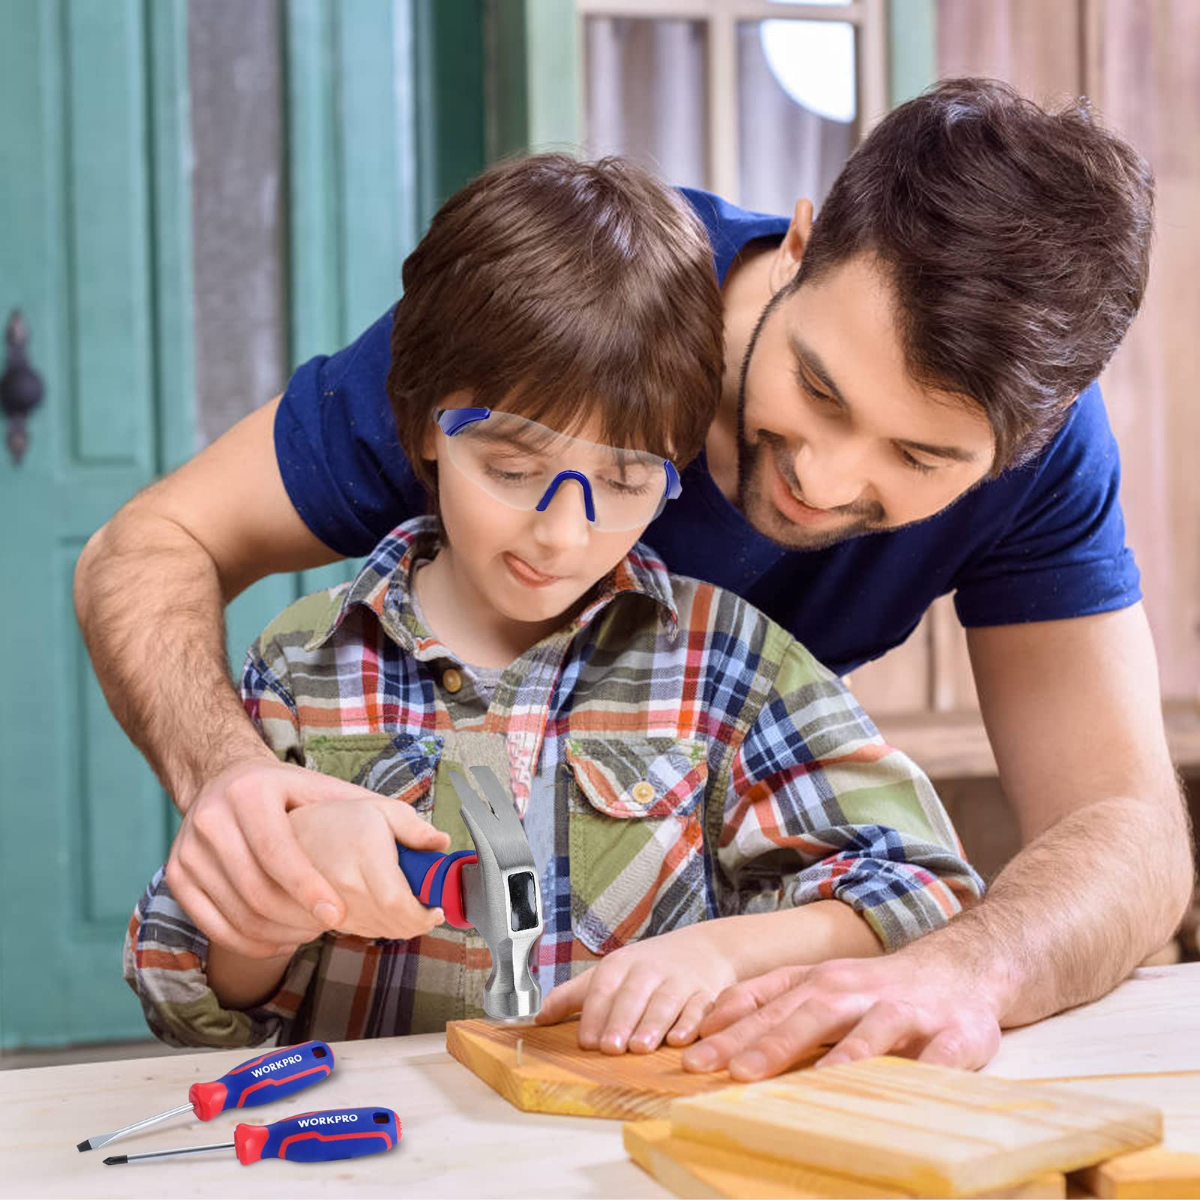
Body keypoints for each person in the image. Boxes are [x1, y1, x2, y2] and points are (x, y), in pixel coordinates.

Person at [79, 79, 1191, 1077]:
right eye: (820, 390)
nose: (822, 477)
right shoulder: (578, 328)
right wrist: (239, 791)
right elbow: (147, 547)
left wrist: (964, 970)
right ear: (800, 245)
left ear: (1022, 447)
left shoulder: (1034, 465)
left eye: (920, 459)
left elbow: (1128, 837)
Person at [122, 155, 982, 1049]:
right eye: (510, 469)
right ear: (420, 425)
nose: (562, 536)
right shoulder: (306, 664)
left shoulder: (729, 667)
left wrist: (727, 953)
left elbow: (926, 890)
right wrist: (281, 895)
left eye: (624, 482)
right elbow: (182, 990)